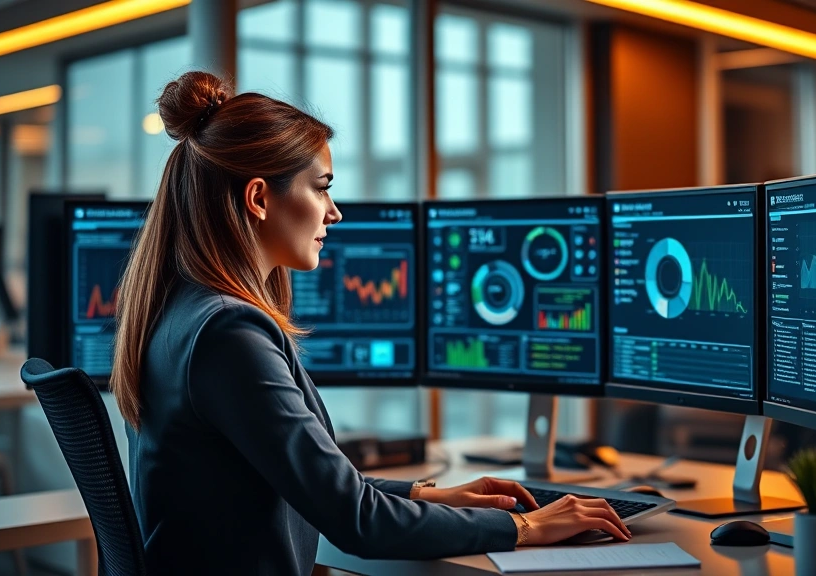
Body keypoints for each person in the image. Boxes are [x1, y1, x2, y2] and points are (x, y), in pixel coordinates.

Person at [110, 71, 630, 574]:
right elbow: (357, 522)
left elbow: (321, 486)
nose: (333, 213)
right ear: (259, 198)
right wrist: (523, 527)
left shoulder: (181, 310)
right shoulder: (228, 335)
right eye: (321, 188)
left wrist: (427, 494)